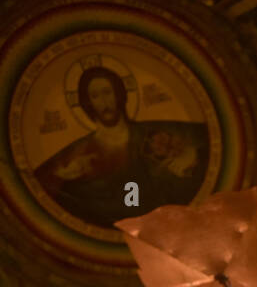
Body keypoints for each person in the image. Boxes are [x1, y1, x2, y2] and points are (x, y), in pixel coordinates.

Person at [35, 65, 208, 227]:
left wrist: (191, 159)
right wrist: (66, 179)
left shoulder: (151, 135)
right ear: (87, 103)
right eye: (95, 96)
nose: (104, 102)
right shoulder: (79, 152)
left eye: (107, 92)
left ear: (118, 94)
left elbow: (198, 148)